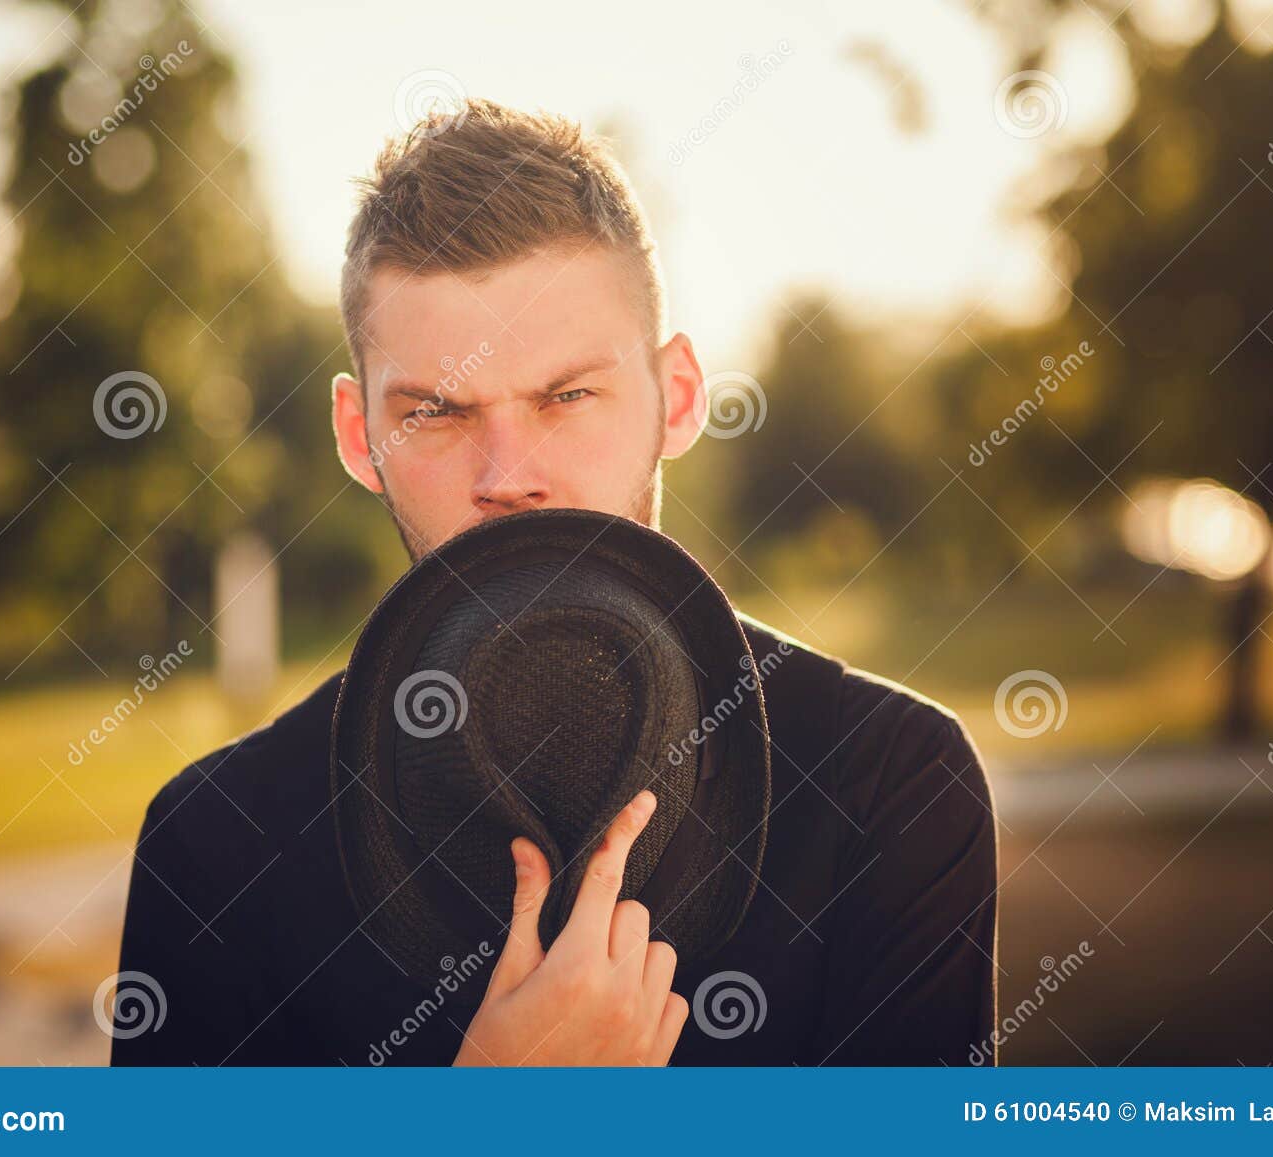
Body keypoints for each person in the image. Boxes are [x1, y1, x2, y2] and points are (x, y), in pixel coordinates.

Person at [112, 98, 997, 1066]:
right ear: (359, 434)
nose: (506, 475)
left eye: (566, 395)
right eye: (438, 412)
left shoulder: (892, 782)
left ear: (679, 397)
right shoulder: (213, 846)